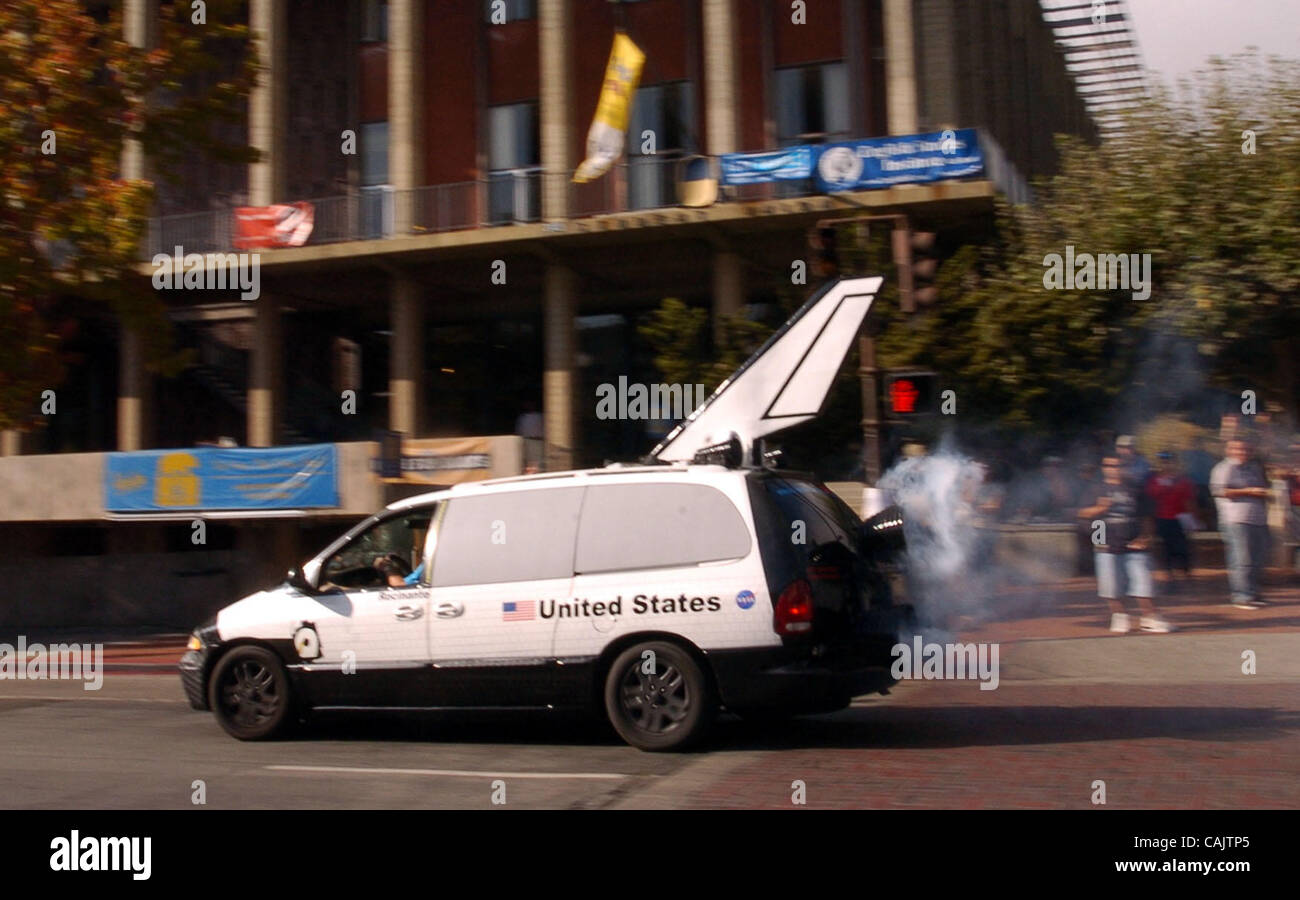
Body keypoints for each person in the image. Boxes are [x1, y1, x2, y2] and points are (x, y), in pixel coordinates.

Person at [1079, 456, 1173, 633]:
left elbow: (1147, 515)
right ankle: (1120, 616)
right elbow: (1083, 513)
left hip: (1133, 543)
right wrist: (1099, 510)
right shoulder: (1095, 489)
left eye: (1117, 465)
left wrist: (1146, 537)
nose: (1113, 468)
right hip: (1106, 543)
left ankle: (1149, 617)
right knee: (1111, 585)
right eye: (1108, 465)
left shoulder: (1135, 488)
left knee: (1143, 580)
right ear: (1103, 467)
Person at [1211, 438, 1272, 608]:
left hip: (1258, 519)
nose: (1243, 453)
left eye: (1246, 449)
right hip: (1236, 520)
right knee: (1241, 559)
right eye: (1238, 449)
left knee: (1257, 559)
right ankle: (1240, 596)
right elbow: (1218, 491)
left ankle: (1252, 593)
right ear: (1229, 450)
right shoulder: (1224, 468)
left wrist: (1264, 492)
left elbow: (1264, 487)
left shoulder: (1254, 468)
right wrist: (1248, 491)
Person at [1146, 450, 1194, 582]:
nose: (1166, 465)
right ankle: (1169, 574)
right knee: (1166, 547)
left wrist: (1192, 519)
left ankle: (1185, 572)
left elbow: (1189, 499)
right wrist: (1164, 486)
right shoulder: (1154, 479)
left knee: (1182, 546)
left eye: (1169, 462)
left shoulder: (1183, 479)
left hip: (1180, 518)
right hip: (1162, 518)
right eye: (1163, 462)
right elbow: (1151, 495)